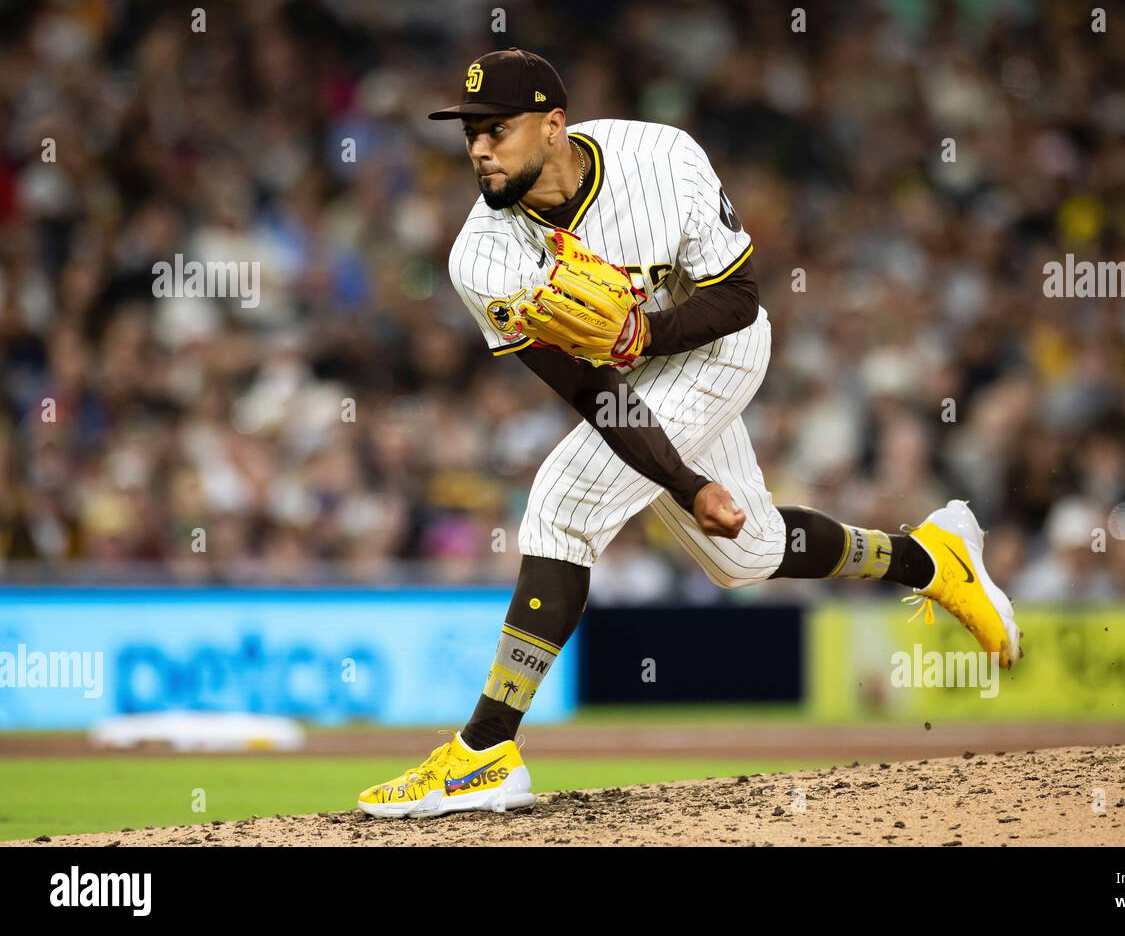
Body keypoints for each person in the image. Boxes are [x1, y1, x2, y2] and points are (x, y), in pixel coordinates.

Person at [356, 49, 1022, 818]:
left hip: (717, 347)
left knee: (562, 505)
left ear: (553, 125)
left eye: (496, 129)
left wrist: (642, 336)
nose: (478, 148)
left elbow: (739, 300)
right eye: (470, 132)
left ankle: (483, 751)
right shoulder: (482, 256)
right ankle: (929, 558)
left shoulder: (660, 159)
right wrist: (688, 483)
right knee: (748, 555)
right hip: (624, 382)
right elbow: (590, 391)